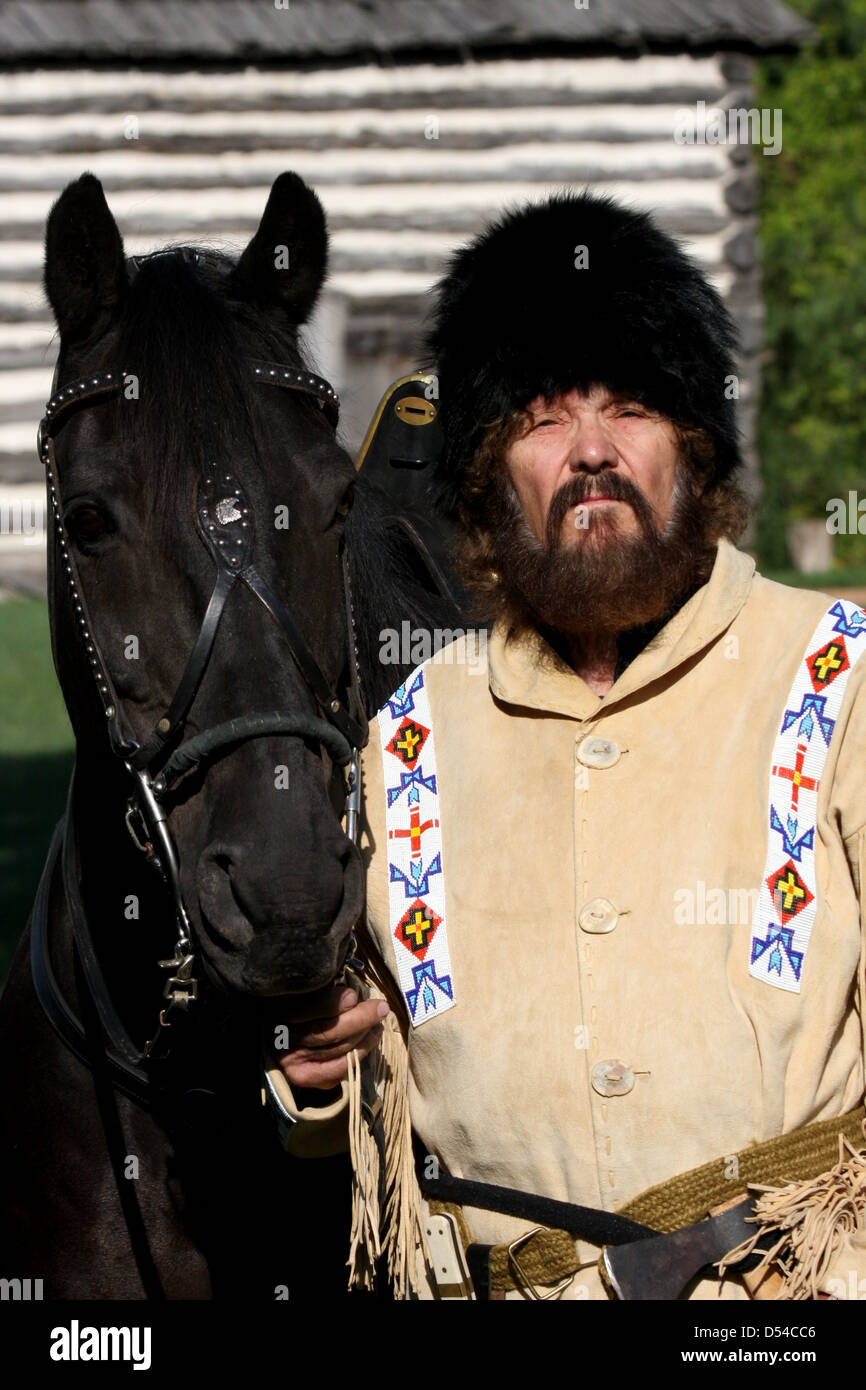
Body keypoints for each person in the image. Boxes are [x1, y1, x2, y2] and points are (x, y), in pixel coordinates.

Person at [264, 192, 866, 1301]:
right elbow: (356, 1083)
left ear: (692, 452)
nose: (590, 451)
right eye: (542, 417)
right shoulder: (407, 739)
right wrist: (319, 1069)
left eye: (629, 407)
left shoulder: (832, 672)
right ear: (488, 480)